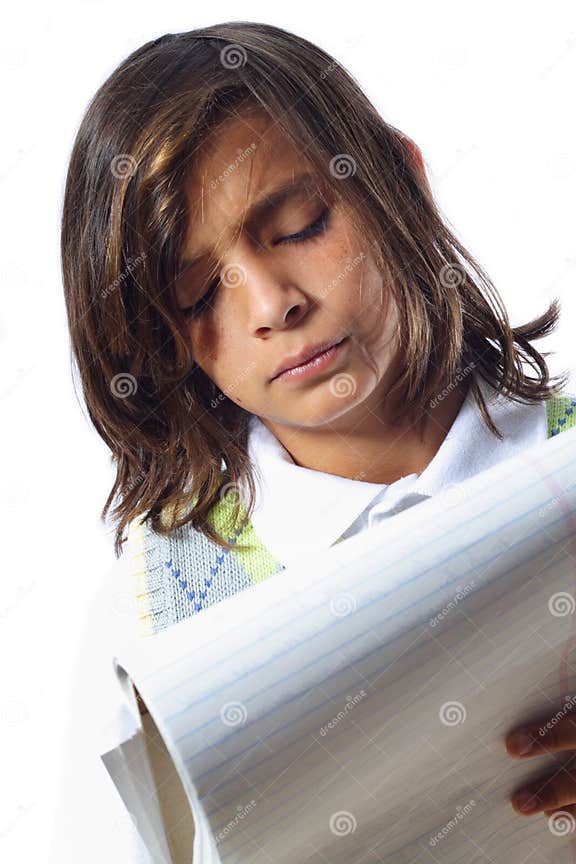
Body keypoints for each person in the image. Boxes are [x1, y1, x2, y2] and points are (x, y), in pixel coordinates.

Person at [60, 20, 576, 849]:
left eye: (301, 225)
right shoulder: (148, 624)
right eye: (198, 297)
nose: (272, 305)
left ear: (403, 181)